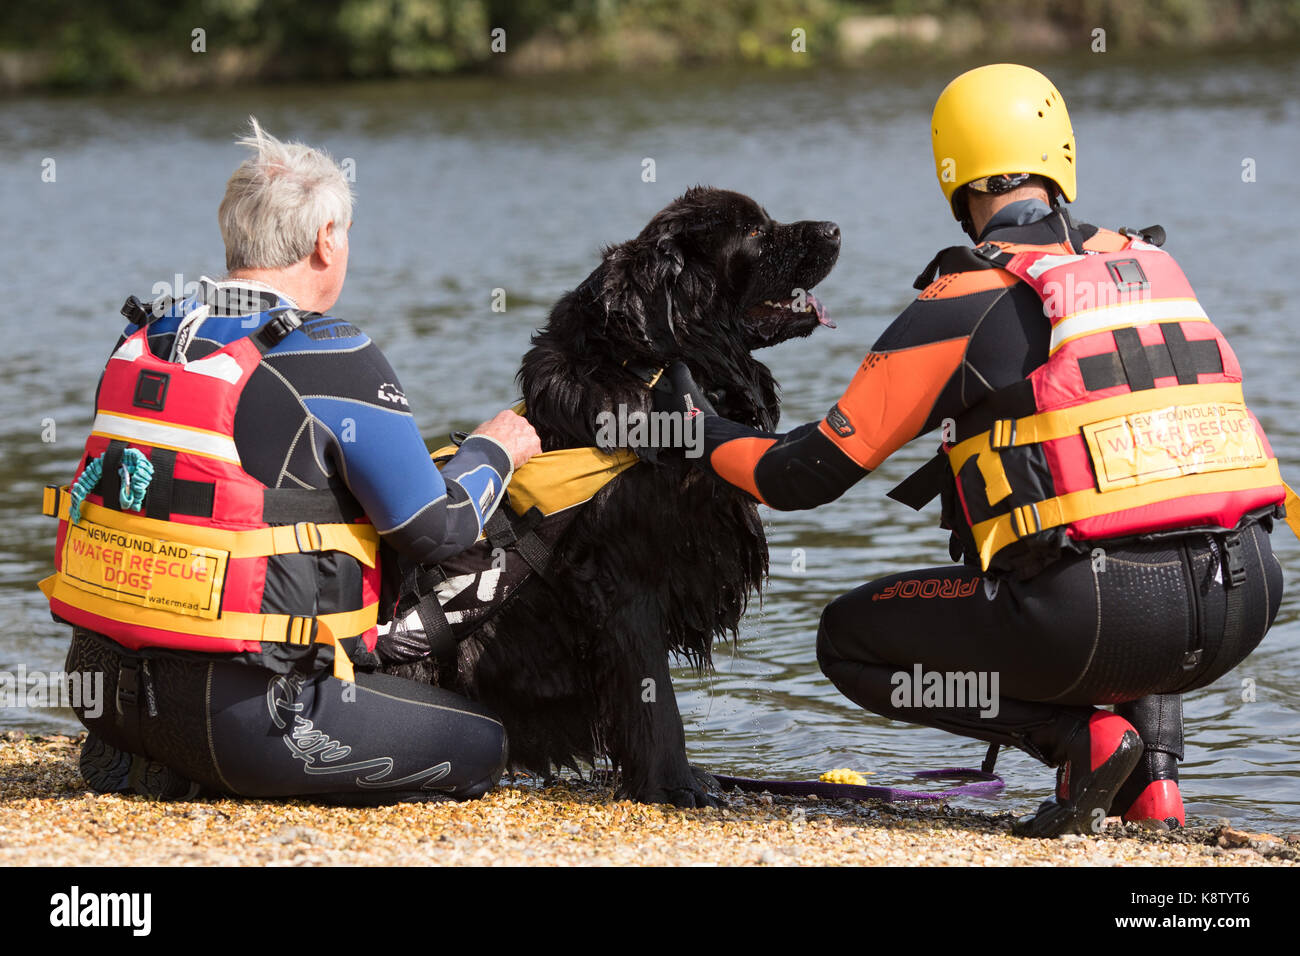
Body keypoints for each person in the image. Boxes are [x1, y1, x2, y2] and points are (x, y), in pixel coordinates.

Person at [653, 64, 1290, 836]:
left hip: (1091, 616)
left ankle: (1075, 740)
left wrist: (696, 427)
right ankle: (1154, 786)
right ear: (1063, 159)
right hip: (1247, 596)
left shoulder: (963, 299)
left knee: (847, 640)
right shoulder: (1148, 268)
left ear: (952, 177)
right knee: (1152, 513)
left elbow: (798, 476)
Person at [40, 118, 541, 802]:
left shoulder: (143, 338)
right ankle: (205, 764)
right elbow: (436, 531)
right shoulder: (329, 352)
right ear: (324, 241)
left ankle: (152, 756)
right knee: (481, 744)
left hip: (102, 690)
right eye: (347, 236)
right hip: (245, 716)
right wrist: (495, 449)